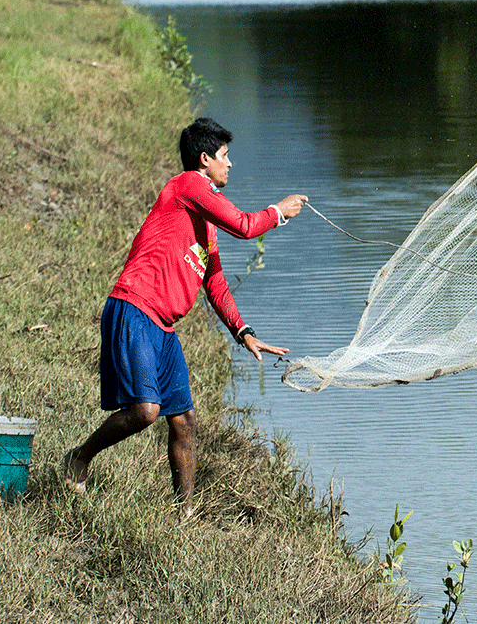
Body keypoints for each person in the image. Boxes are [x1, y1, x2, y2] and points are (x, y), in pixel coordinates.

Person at [63, 117, 307, 518]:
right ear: (205, 158)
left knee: (185, 420)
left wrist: (242, 331)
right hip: (135, 309)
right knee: (146, 411)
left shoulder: (204, 221)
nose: (230, 165)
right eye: (225, 157)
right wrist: (278, 212)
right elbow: (246, 226)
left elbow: (215, 281)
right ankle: (80, 457)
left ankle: (185, 516)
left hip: (163, 327)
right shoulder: (189, 185)